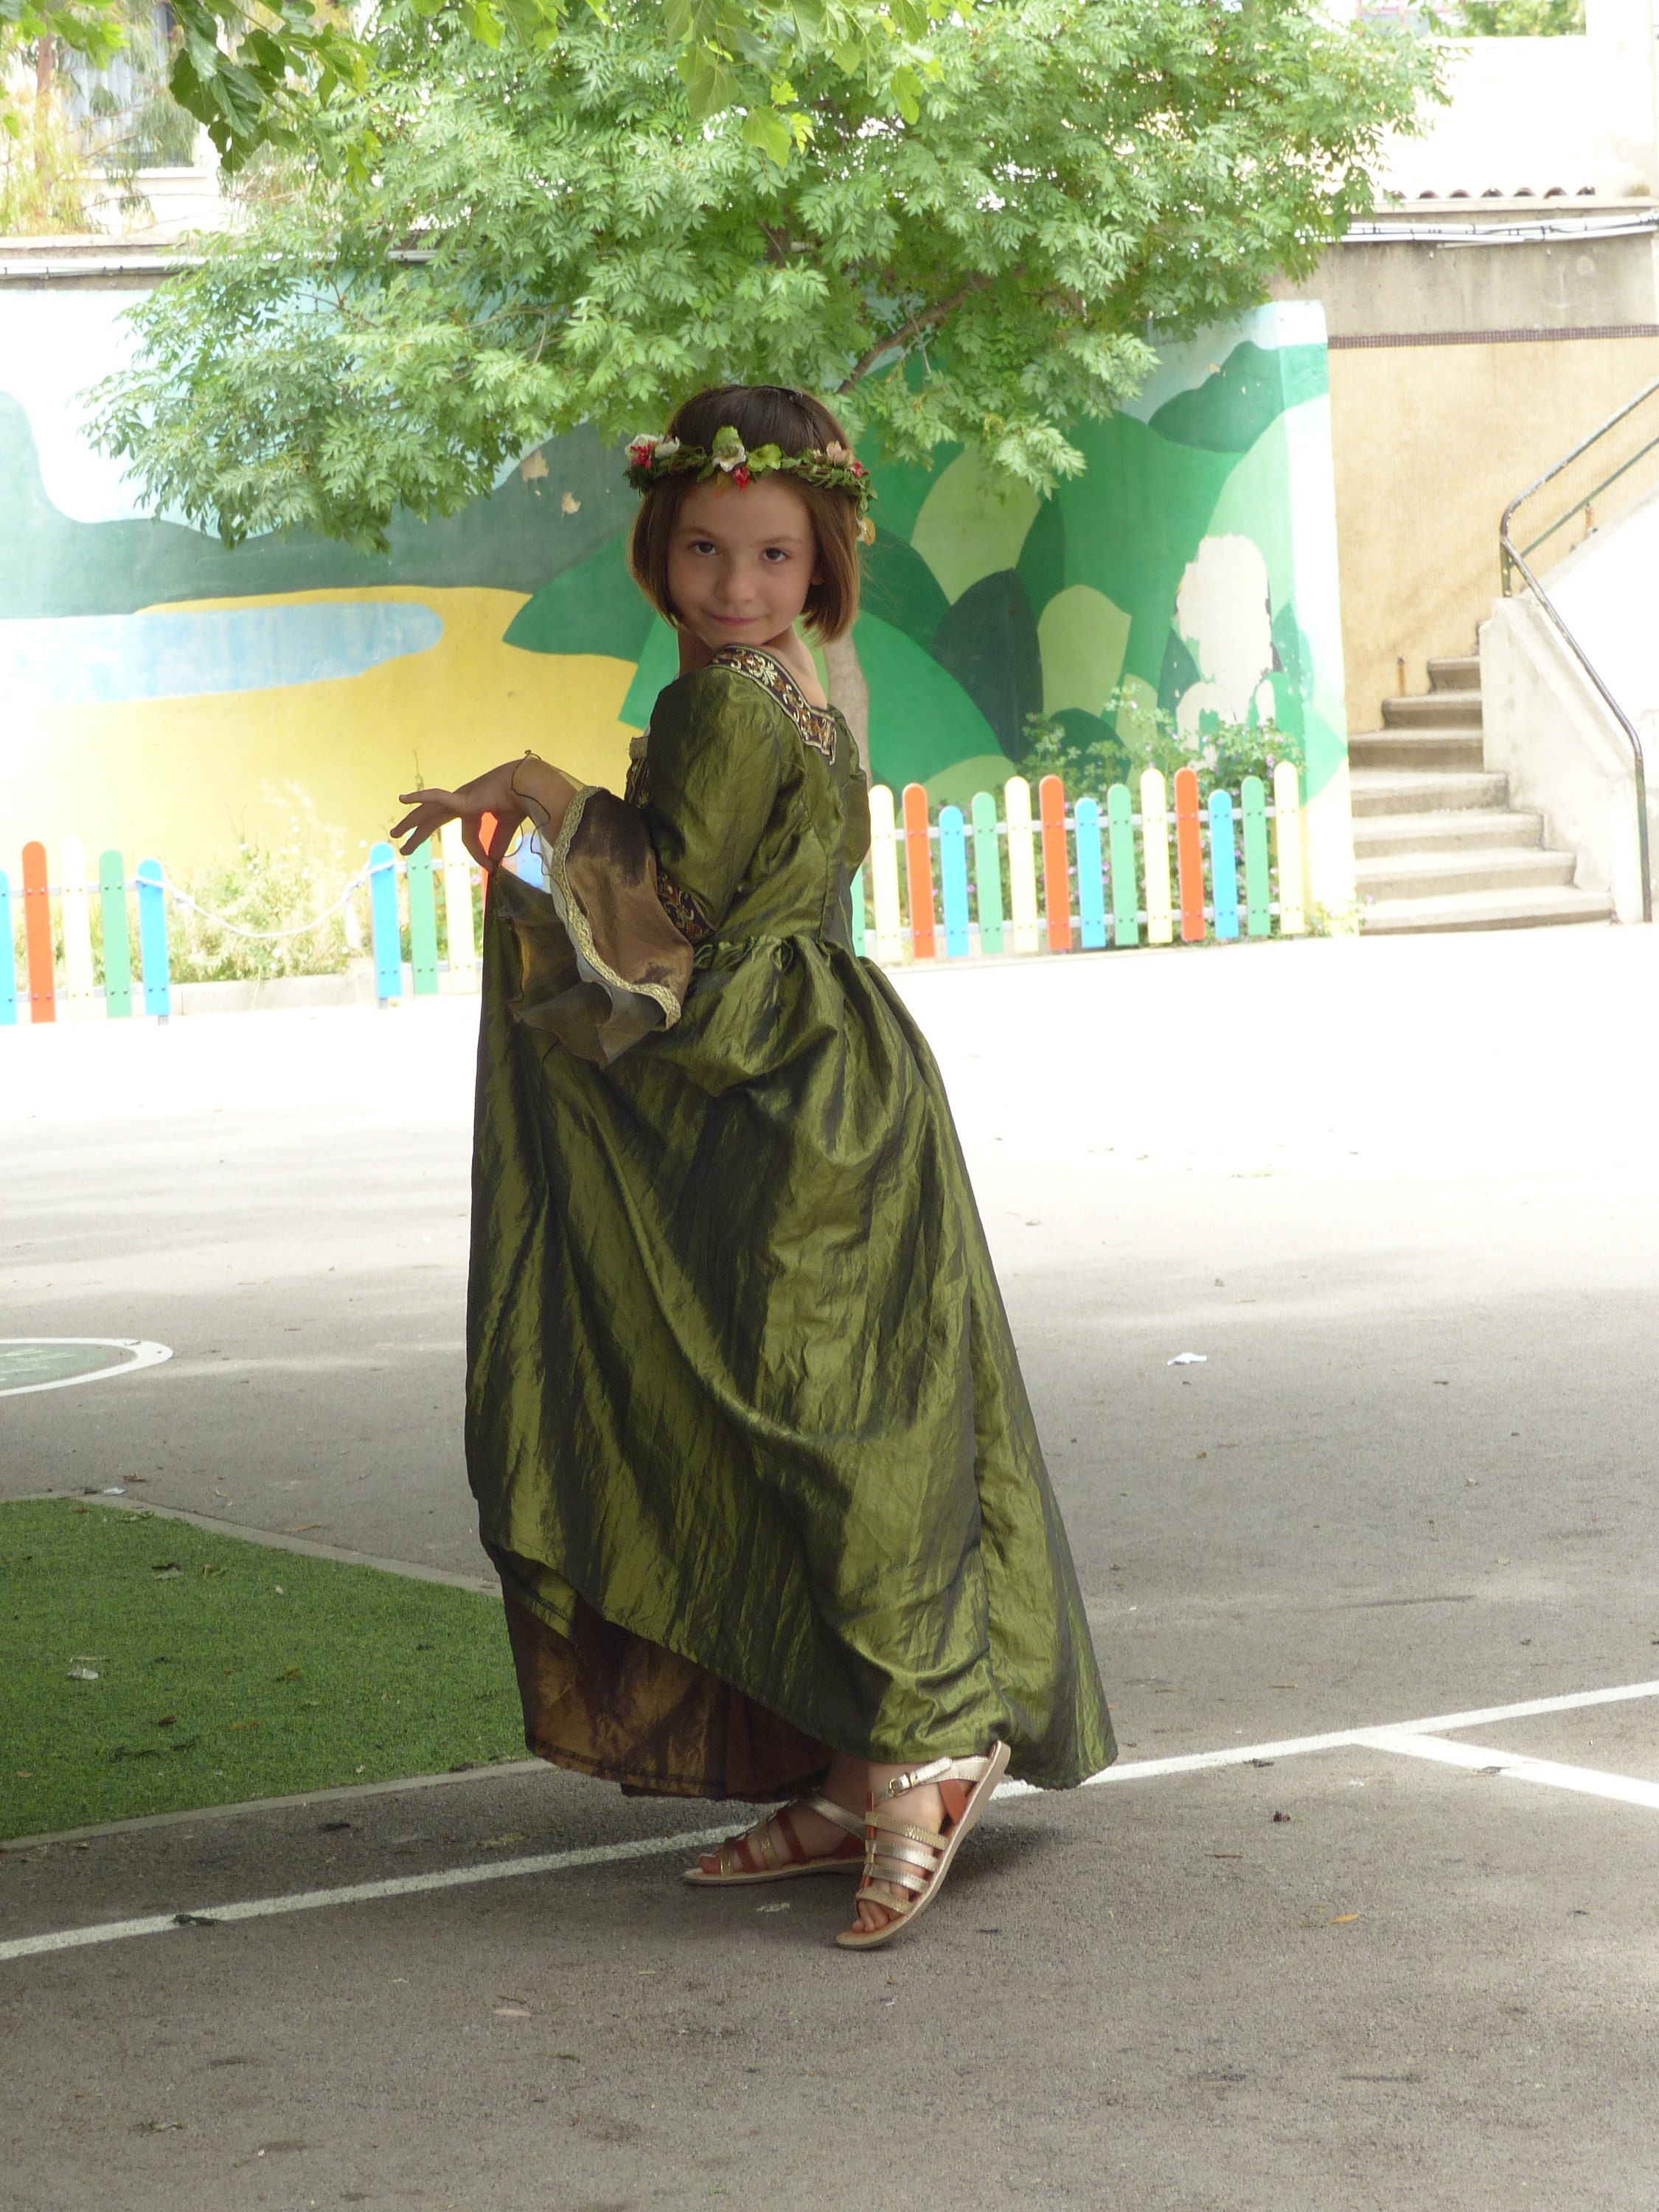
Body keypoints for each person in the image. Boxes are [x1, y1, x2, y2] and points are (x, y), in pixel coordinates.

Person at [392, 383, 1113, 1950]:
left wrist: (530, 794)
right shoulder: (781, 682)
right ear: (662, 548)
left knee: (815, 1427)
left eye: (773, 557)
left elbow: (674, 922)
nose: (736, 586)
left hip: (779, 1094)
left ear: (823, 562)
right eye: (708, 550)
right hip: (839, 1073)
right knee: (844, 1419)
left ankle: (920, 1755)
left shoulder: (723, 701)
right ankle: (869, 1765)